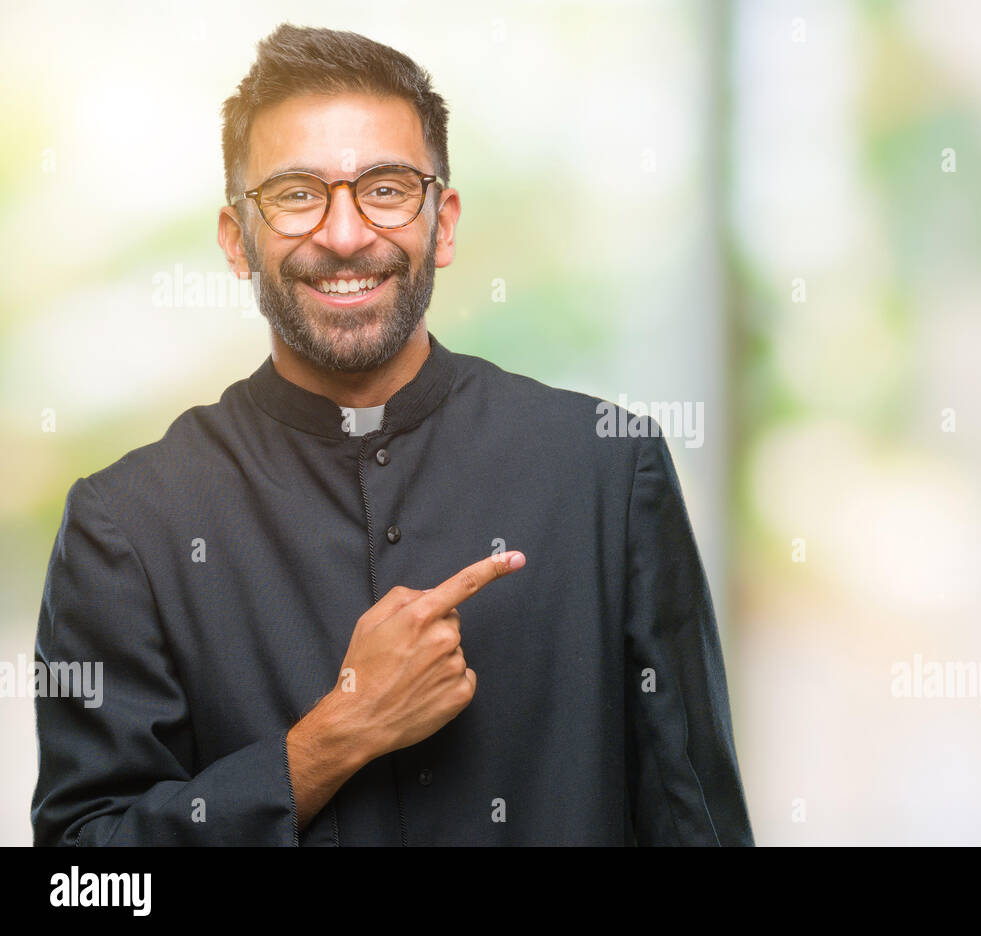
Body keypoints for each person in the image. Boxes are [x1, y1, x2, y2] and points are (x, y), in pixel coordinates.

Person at [30, 23, 753, 846]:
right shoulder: (126, 524)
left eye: (385, 188)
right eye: (297, 193)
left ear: (441, 224)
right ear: (238, 240)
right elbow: (82, 884)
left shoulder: (608, 470)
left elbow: (698, 826)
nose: (344, 235)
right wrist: (332, 737)